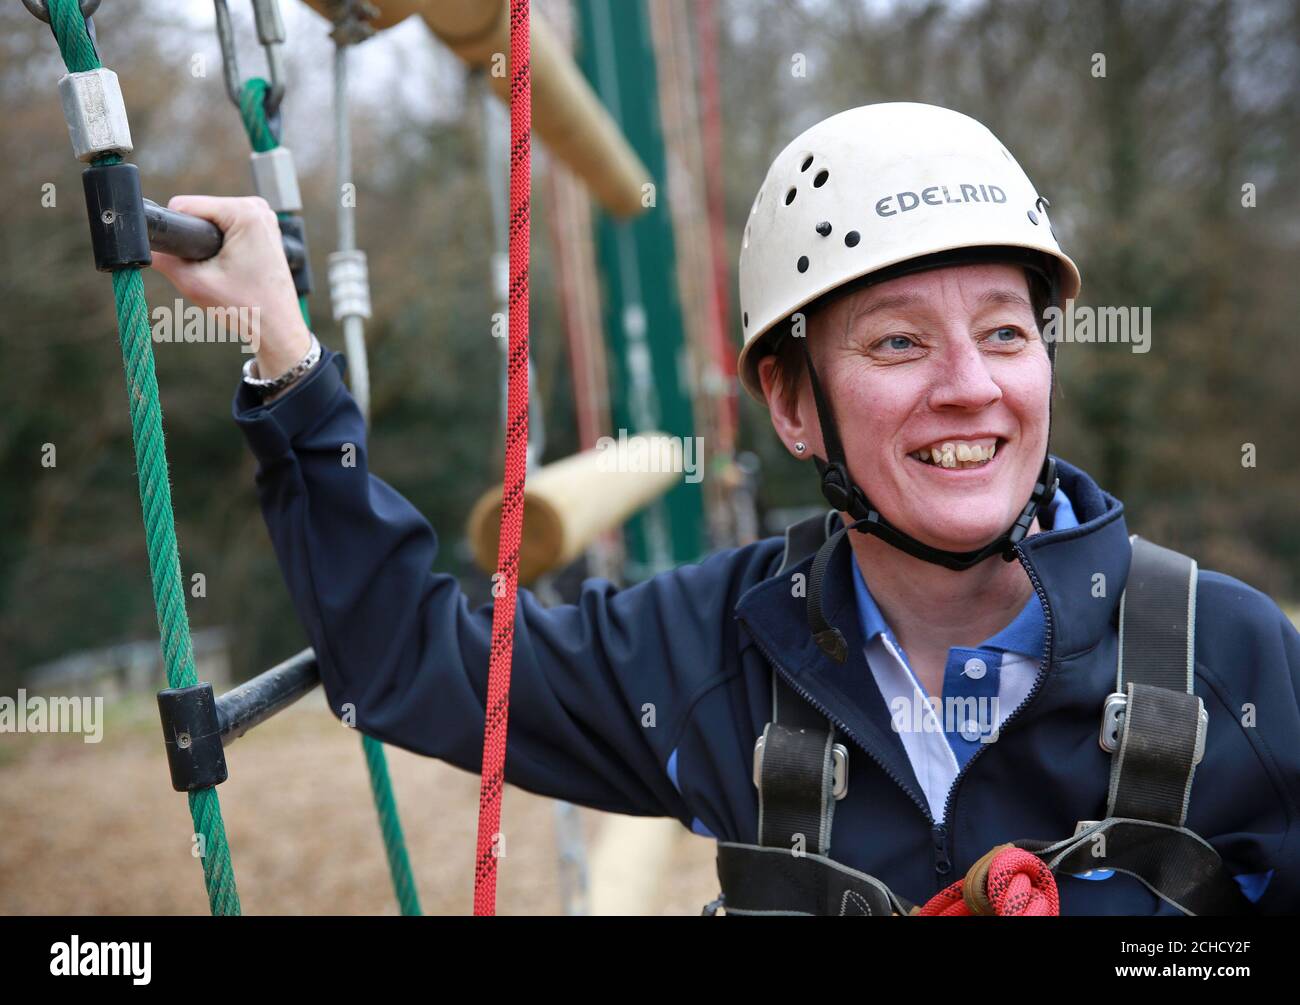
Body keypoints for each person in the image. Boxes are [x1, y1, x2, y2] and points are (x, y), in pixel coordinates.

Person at [153, 102, 1299, 915]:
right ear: (793, 405)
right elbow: (412, 662)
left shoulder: (1231, 663)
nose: (970, 384)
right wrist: (285, 355)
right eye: (897, 341)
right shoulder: (713, 654)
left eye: (1005, 331)